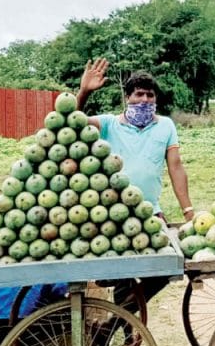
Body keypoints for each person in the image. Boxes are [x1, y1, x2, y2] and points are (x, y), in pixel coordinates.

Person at [76, 58, 194, 307]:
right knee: (122, 274)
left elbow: (176, 167)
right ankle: (125, 331)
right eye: (138, 94)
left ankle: (117, 320)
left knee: (169, 265)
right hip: (112, 214)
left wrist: (188, 211)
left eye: (150, 95)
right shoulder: (108, 124)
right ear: (127, 98)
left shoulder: (166, 126)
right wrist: (84, 92)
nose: (145, 100)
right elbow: (68, 122)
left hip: (150, 212)